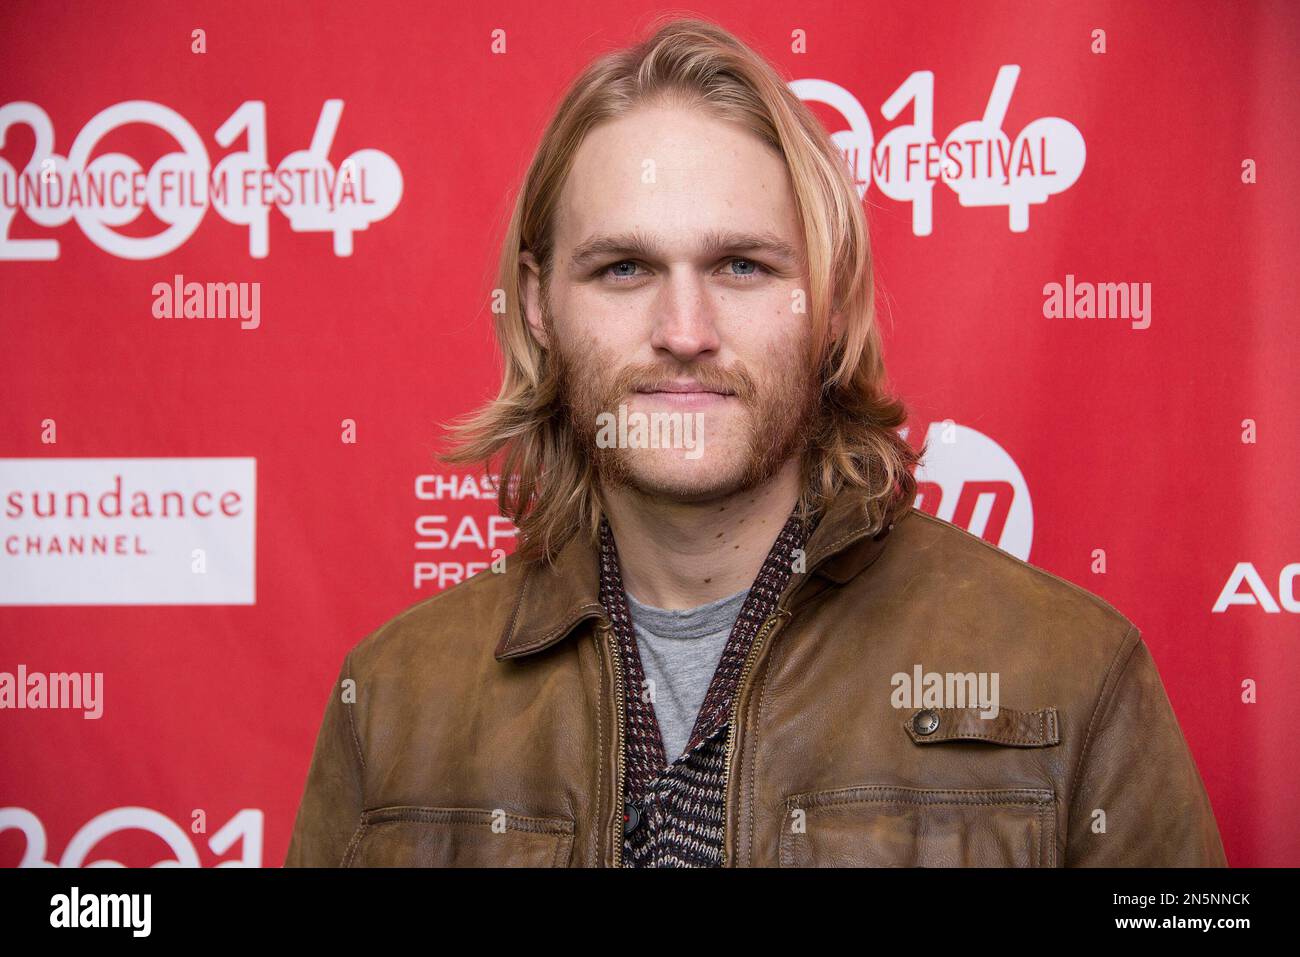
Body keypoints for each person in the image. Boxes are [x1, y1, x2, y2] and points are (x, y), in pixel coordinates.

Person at [285, 15, 1226, 868]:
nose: (685, 329)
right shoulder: (396, 699)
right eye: (623, 268)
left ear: (825, 298)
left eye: (741, 264)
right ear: (537, 306)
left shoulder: (1072, 673)